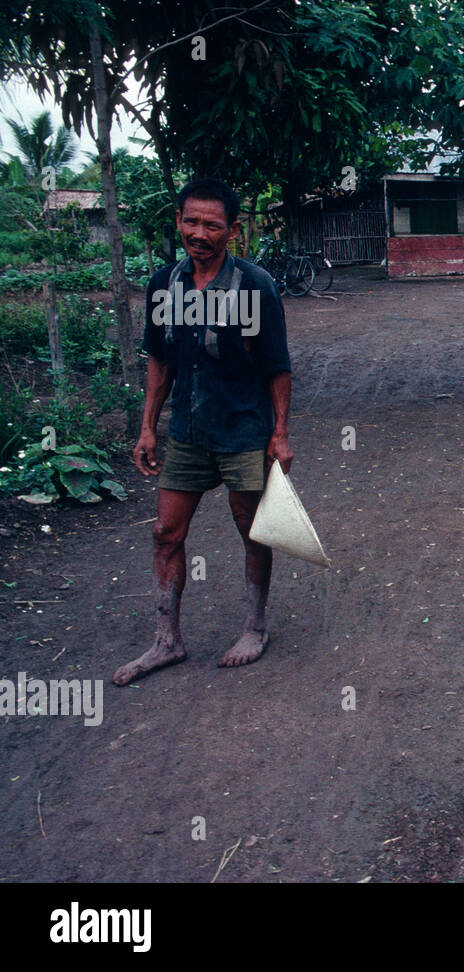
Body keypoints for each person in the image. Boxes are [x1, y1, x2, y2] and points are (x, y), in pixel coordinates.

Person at [113, 177, 293, 686]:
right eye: (191, 222)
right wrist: (149, 427)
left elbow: (277, 365)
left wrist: (280, 434)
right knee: (165, 532)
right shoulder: (163, 286)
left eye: (212, 225)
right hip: (188, 430)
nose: (199, 233)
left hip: (243, 428)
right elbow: (160, 359)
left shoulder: (254, 285)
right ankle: (166, 641)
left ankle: (255, 626)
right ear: (178, 222)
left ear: (232, 231)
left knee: (251, 528)